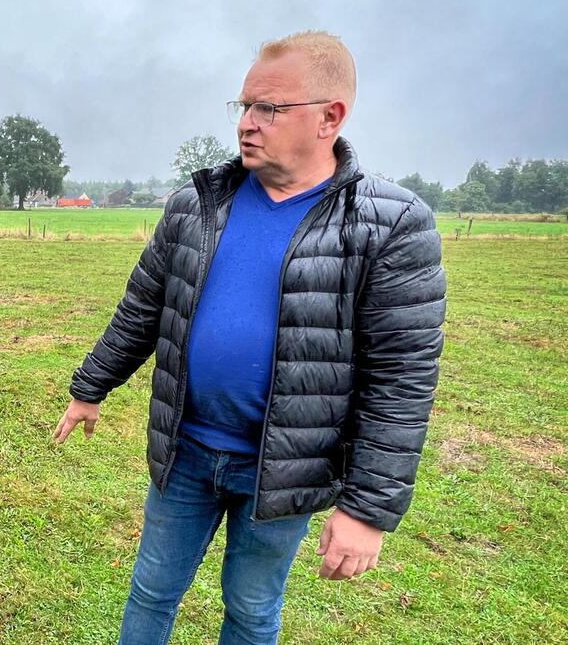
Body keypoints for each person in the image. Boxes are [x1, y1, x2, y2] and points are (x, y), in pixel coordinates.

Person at [52, 31, 446, 644]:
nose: (249, 124)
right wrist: (90, 387)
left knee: (252, 610)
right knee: (152, 594)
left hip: (281, 469)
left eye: (270, 108)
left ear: (330, 117)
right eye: (244, 107)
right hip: (184, 453)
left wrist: (366, 510)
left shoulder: (390, 224)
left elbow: (402, 381)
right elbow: (143, 308)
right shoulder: (197, 205)